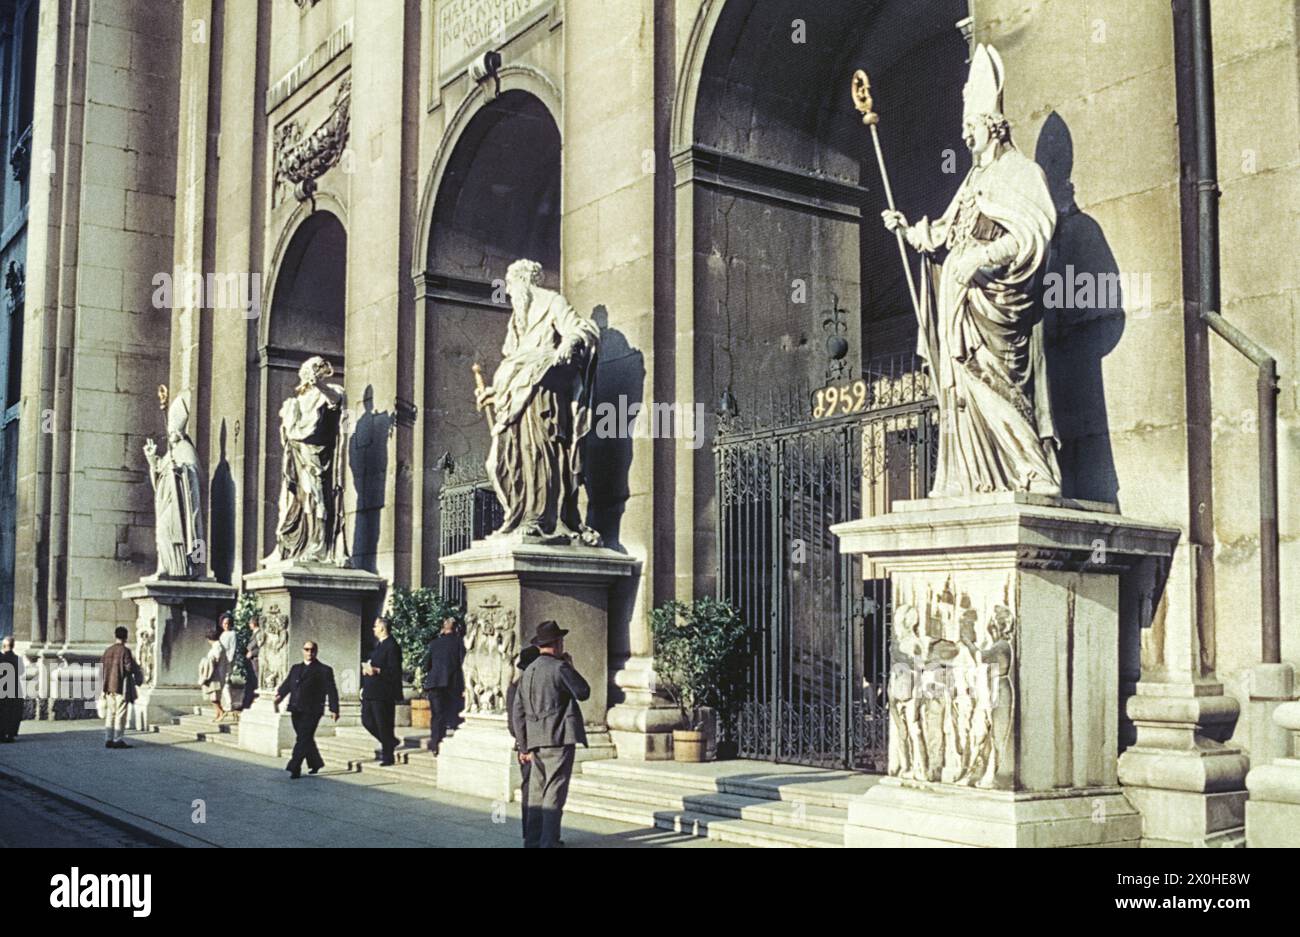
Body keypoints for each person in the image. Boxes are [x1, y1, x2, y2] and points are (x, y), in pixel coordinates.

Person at [882, 43, 1060, 497]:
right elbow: (944, 233)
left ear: (993, 127)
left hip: (995, 303)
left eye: (972, 127)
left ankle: (1030, 469)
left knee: (997, 383)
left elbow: (1033, 235)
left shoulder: (1020, 172)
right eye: (964, 128)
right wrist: (908, 230)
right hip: (960, 304)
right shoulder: (971, 182)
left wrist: (980, 259)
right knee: (961, 387)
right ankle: (969, 476)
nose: (966, 136)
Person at [476, 259, 602, 545]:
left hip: (543, 392)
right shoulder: (517, 319)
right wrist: (495, 391)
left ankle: (541, 518)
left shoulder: (552, 301)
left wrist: (569, 343)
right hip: (517, 393)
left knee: (539, 451)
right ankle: (519, 513)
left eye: (510, 283)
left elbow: (581, 329)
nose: (507, 291)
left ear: (523, 279)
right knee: (506, 458)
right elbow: (514, 361)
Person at [509, 620, 590, 848]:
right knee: (554, 791)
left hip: (535, 740)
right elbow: (583, 692)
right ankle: (549, 842)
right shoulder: (559, 667)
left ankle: (533, 841)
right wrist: (571, 667)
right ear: (556, 642)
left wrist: (523, 745)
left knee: (536, 792)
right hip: (559, 737)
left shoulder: (528, 672)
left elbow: (518, 712)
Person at [274, 640, 339, 779]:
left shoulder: (324, 670)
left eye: (312, 650)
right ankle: (316, 762)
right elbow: (288, 684)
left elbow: (331, 690)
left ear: (316, 651)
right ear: (302, 650)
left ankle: (294, 766)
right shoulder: (295, 668)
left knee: (302, 738)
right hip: (296, 708)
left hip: (313, 710)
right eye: (307, 649)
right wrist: (279, 695)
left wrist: (334, 709)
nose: (309, 652)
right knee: (305, 738)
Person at [505, 645, 541, 844]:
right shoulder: (520, 687)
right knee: (531, 790)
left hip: (525, 744)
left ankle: (532, 833)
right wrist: (524, 746)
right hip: (527, 747)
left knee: (531, 789)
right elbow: (514, 721)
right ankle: (532, 833)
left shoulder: (515, 686)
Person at [361, 616, 403, 765]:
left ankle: (388, 755)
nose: (373, 629)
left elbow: (394, 671)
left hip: (383, 692)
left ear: (382, 628)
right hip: (371, 690)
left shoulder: (392, 646)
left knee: (383, 724)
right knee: (367, 720)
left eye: (375, 626)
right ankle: (390, 742)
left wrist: (377, 670)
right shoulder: (379, 645)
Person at [420, 616, 464, 754]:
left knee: (437, 715)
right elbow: (463, 663)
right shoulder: (459, 643)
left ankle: (436, 743)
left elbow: (426, 665)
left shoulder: (434, 643)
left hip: (435, 683)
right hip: (451, 683)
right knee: (452, 714)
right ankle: (448, 743)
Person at [100, 627, 143, 749]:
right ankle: (118, 739)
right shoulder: (125, 651)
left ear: (115, 636)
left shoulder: (108, 651)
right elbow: (129, 667)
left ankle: (108, 738)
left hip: (108, 686)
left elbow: (102, 668)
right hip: (121, 686)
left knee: (110, 713)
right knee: (120, 714)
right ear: (126, 637)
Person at [199, 628, 229, 722]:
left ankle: (221, 711)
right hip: (215, 673)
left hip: (215, 674)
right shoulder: (217, 646)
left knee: (214, 696)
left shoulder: (217, 646)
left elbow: (215, 659)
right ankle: (218, 714)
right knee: (213, 695)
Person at [0, 635, 25, 742]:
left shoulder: (1, 658)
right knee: (14, 712)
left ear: (4, 645)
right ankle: (10, 734)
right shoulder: (17, 659)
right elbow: (21, 672)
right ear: (13, 646)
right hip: (15, 689)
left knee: (2, 712)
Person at [242, 614, 262, 710]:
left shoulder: (259, 634)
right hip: (251, 662)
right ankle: (247, 703)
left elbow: (262, 648)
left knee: (255, 681)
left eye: (250, 622)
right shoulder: (254, 633)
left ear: (254, 623)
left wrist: (253, 653)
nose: (249, 624)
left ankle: (251, 702)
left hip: (255, 661)